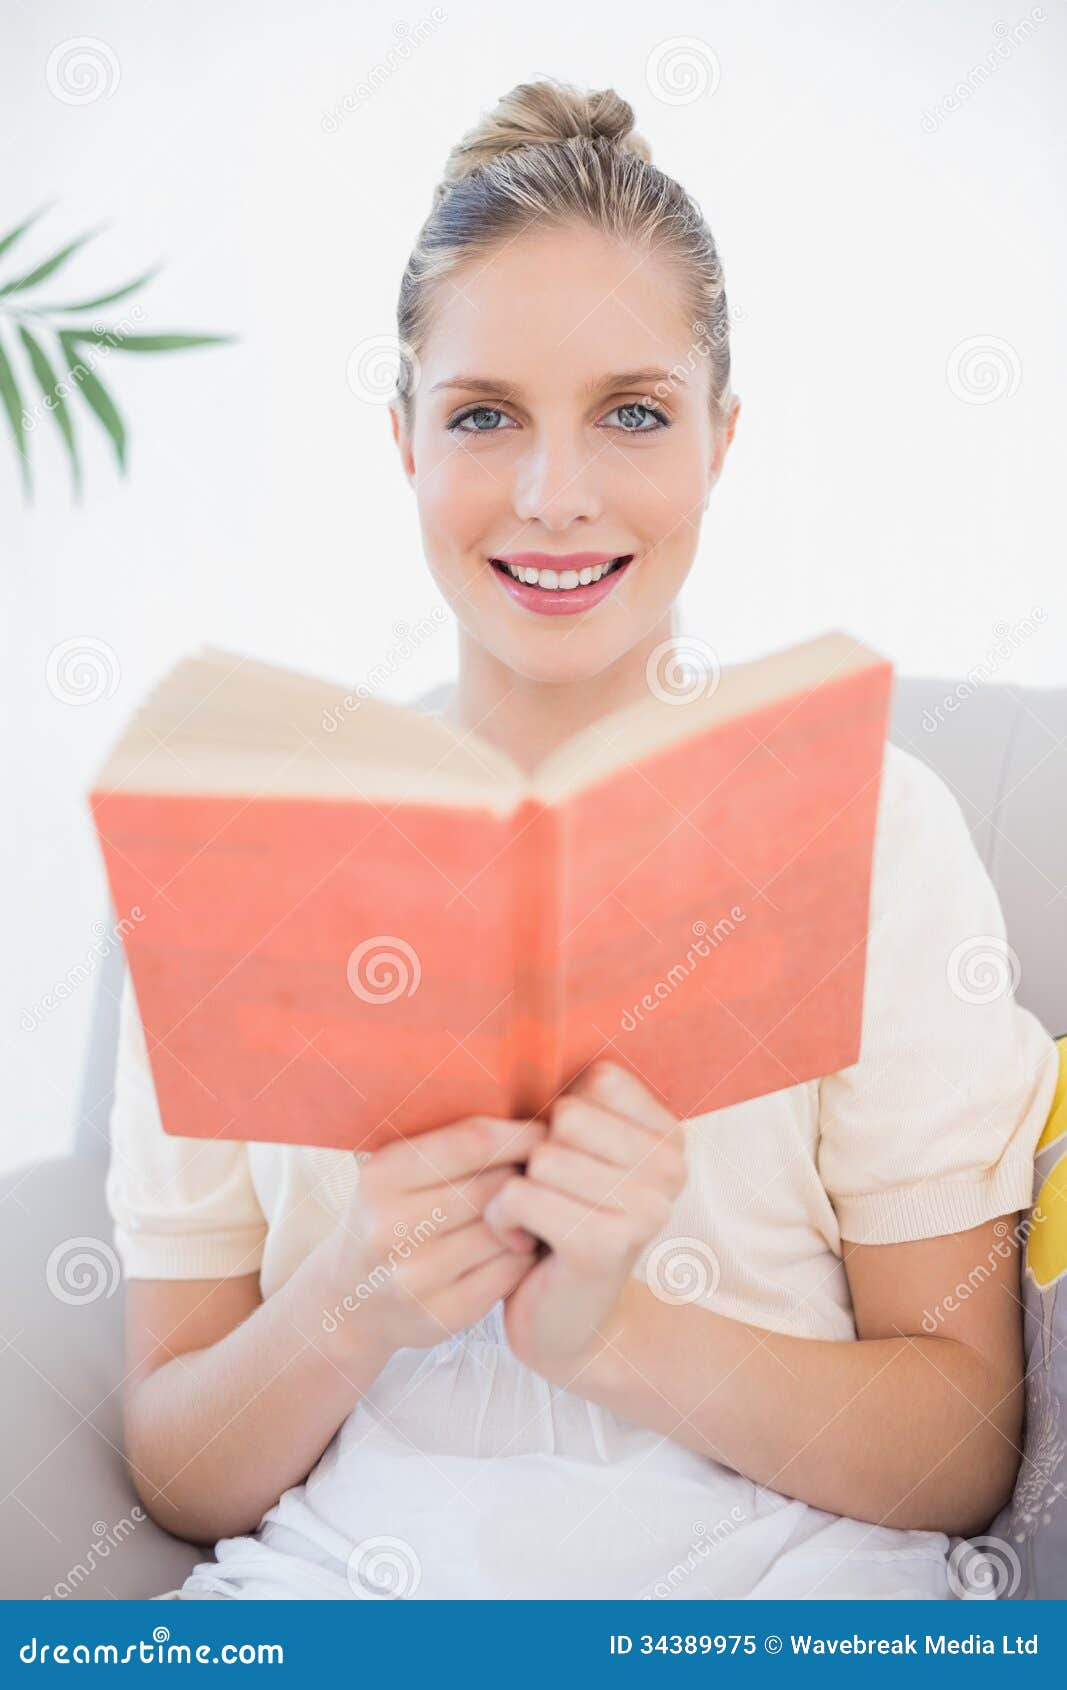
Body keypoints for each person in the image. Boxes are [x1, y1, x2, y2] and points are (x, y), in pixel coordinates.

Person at [106, 77, 1058, 1601]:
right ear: (403, 438)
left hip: (784, 1580)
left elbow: (963, 1444)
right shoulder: (250, 843)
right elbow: (173, 1457)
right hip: (348, 1588)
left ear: (722, 439)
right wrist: (351, 1295)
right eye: (484, 415)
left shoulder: (873, 823)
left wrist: (615, 1330)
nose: (557, 496)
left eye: (633, 412)